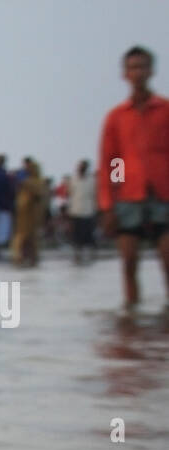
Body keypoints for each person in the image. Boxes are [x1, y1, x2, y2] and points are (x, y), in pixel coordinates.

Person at [98, 46, 169, 309]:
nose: (138, 73)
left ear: (152, 71)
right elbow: (112, 160)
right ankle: (131, 315)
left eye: (143, 67)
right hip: (129, 196)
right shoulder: (117, 117)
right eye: (133, 68)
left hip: (163, 194)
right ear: (125, 74)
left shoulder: (164, 110)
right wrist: (109, 204)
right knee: (128, 264)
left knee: (167, 260)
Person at [11, 158, 46, 267]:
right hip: (23, 214)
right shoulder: (28, 181)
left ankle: (31, 257)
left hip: (33, 214)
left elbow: (38, 194)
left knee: (32, 238)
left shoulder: (35, 182)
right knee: (21, 237)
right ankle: (18, 256)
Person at [69, 159, 98, 263]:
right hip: (76, 211)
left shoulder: (92, 180)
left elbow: (95, 195)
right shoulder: (73, 179)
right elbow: (70, 195)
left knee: (88, 235)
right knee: (76, 236)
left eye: (82, 167)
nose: (80, 169)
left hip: (88, 211)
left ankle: (90, 255)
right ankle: (77, 254)